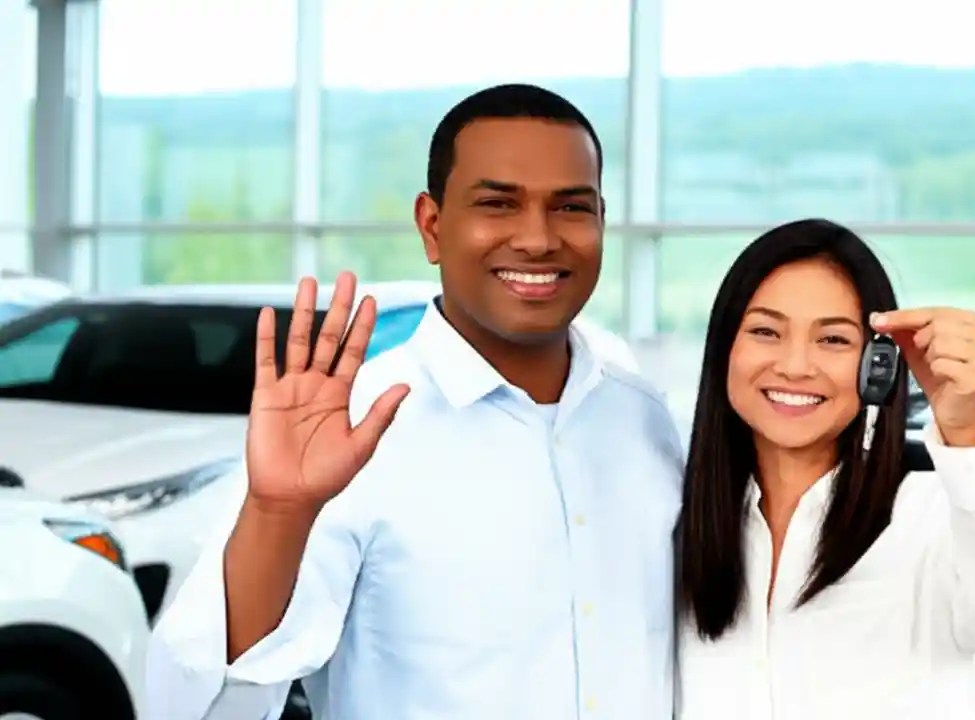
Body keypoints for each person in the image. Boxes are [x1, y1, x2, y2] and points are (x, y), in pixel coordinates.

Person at [144, 84, 686, 719]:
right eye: (497, 203)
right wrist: (277, 514)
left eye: (570, 207)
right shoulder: (352, 429)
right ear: (432, 226)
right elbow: (198, 702)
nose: (538, 239)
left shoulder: (648, 422)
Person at [674, 219, 975, 719]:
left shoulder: (935, 516)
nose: (796, 365)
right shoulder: (679, 524)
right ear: (724, 349)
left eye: (834, 340)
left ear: (876, 365)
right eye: (765, 331)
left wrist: (964, 425)